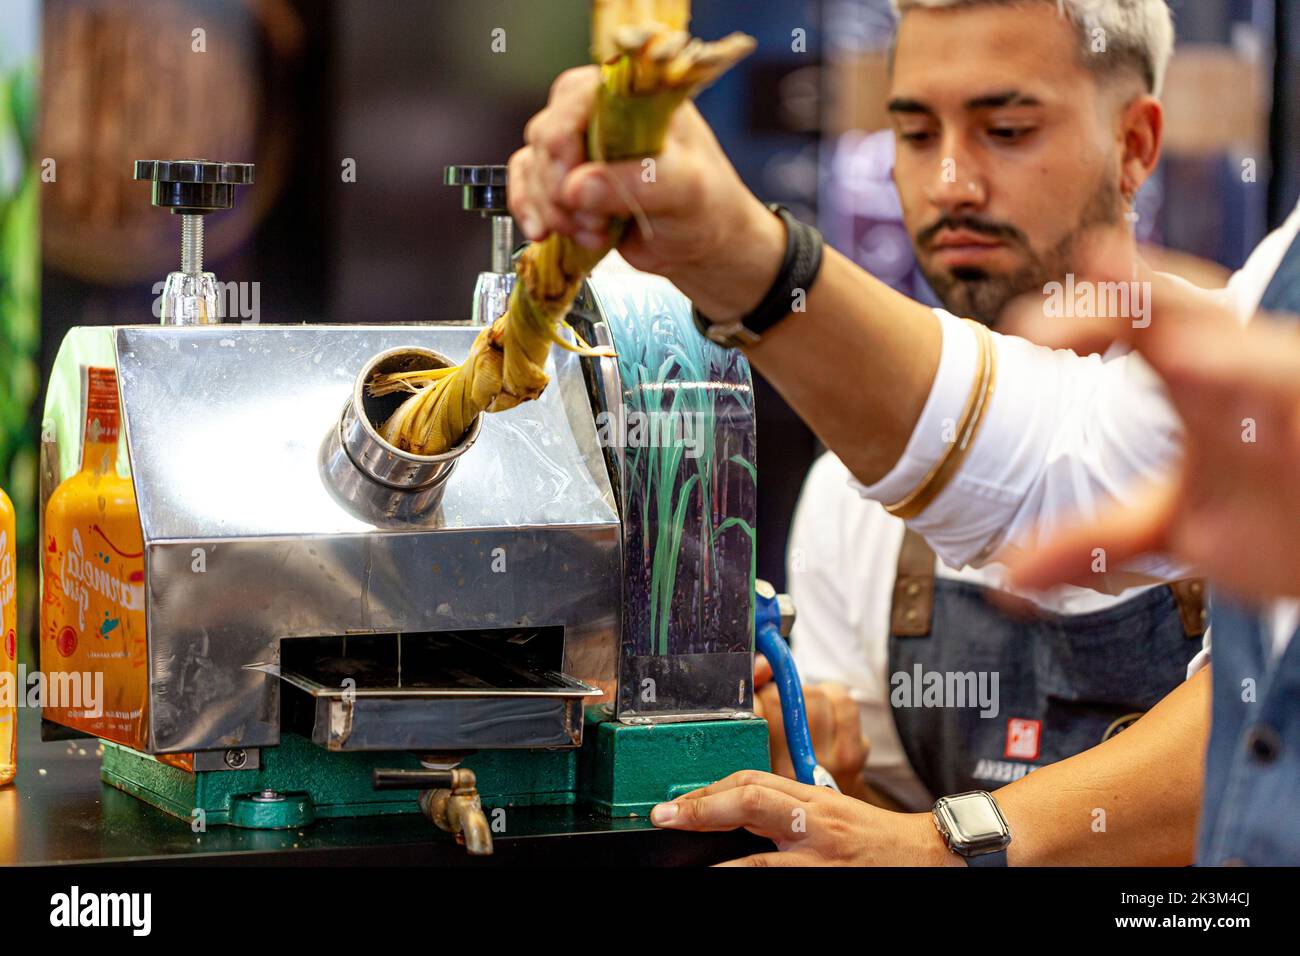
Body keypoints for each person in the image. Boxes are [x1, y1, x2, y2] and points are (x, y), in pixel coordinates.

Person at [506, 0, 1235, 864]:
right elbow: (874, 825)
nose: (953, 182)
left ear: (1136, 145)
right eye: (917, 134)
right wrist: (816, 775)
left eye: (1005, 129)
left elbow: (1270, 726)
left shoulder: (1246, 400)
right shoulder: (856, 490)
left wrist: (944, 847)